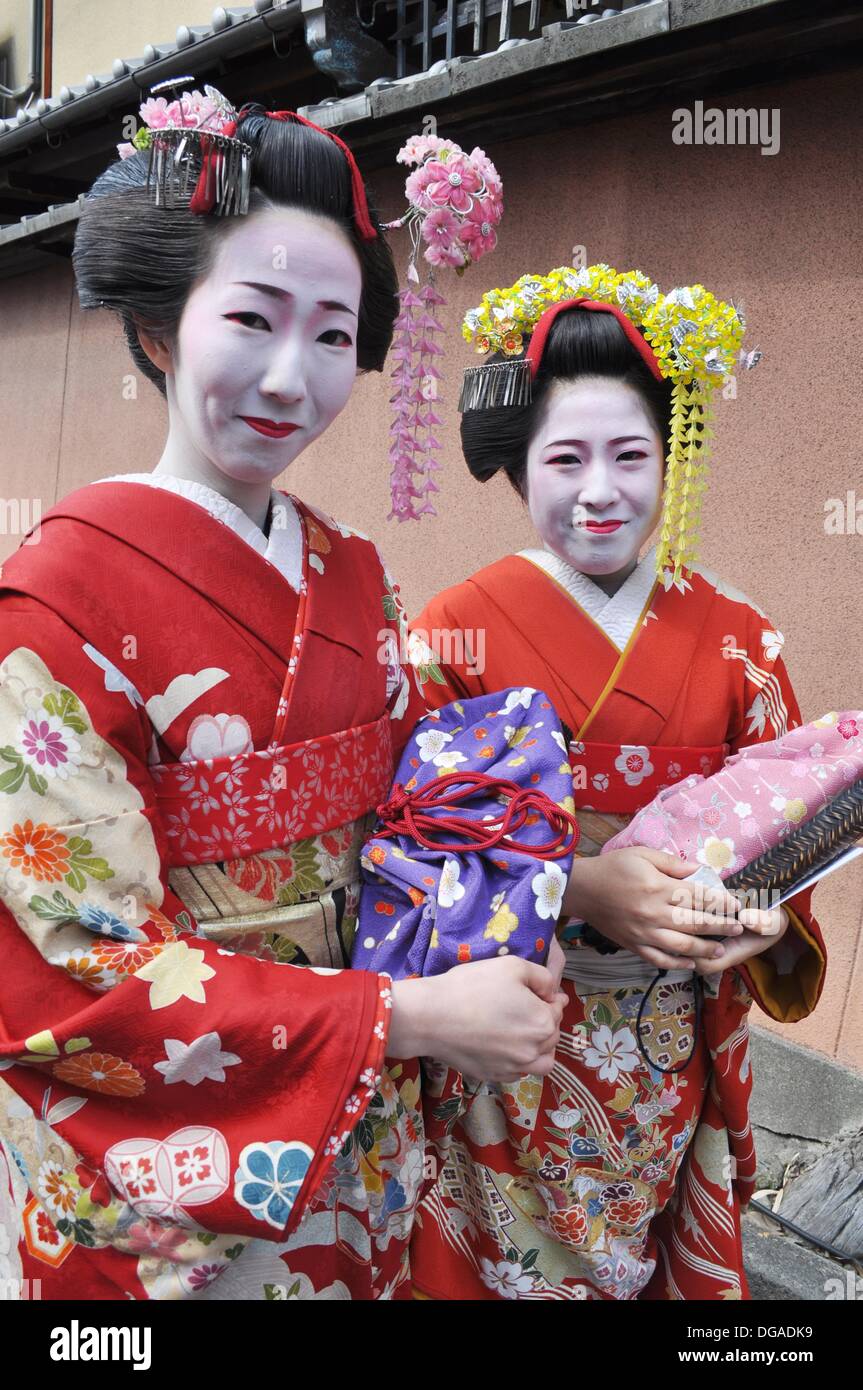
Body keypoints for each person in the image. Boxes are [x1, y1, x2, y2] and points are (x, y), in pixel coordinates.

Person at [0, 92, 567, 1301]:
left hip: (355, 1121)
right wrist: (400, 1018)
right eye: (250, 319)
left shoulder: (350, 571)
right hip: (192, 1150)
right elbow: (79, 957)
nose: (287, 376)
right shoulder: (52, 597)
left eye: (328, 335)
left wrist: (548, 899)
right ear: (158, 328)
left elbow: (421, 817)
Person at [406, 264, 827, 1300]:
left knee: (627, 1265)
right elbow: (409, 832)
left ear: (672, 459)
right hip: (501, 1032)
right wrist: (582, 884)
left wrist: (760, 913)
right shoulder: (452, 628)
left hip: (660, 1034)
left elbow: (795, 823)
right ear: (519, 465)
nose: (599, 490)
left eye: (630, 455)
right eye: (564, 457)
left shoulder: (737, 636)